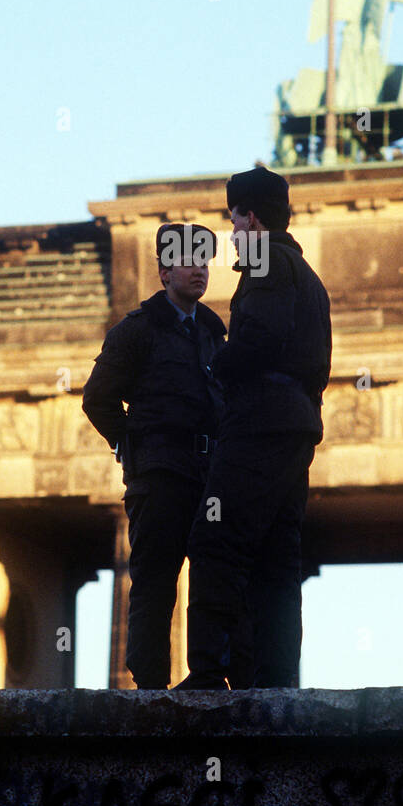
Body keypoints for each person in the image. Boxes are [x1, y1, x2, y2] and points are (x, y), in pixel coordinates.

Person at [175, 167, 332, 690]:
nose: (233, 234)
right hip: (297, 426)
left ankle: (207, 671)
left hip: (258, 423)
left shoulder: (263, 259)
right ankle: (277, 681)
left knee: (215, 537)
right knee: (277, 559)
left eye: (234, 219)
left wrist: (215, 366)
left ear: (253, 217)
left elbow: (259, 339)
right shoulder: (309, 278)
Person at [82, 222, 250, 689]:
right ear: (163, 272)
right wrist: (132, 449)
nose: (199, 270)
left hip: (207, 474)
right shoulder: (136, 332)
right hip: (159, 474)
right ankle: (151, 687)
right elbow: (98, 399)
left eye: (204, 260)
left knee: (215, 575)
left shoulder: (215, 334)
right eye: (187, 261)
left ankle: (208, 674)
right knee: (156, 579)